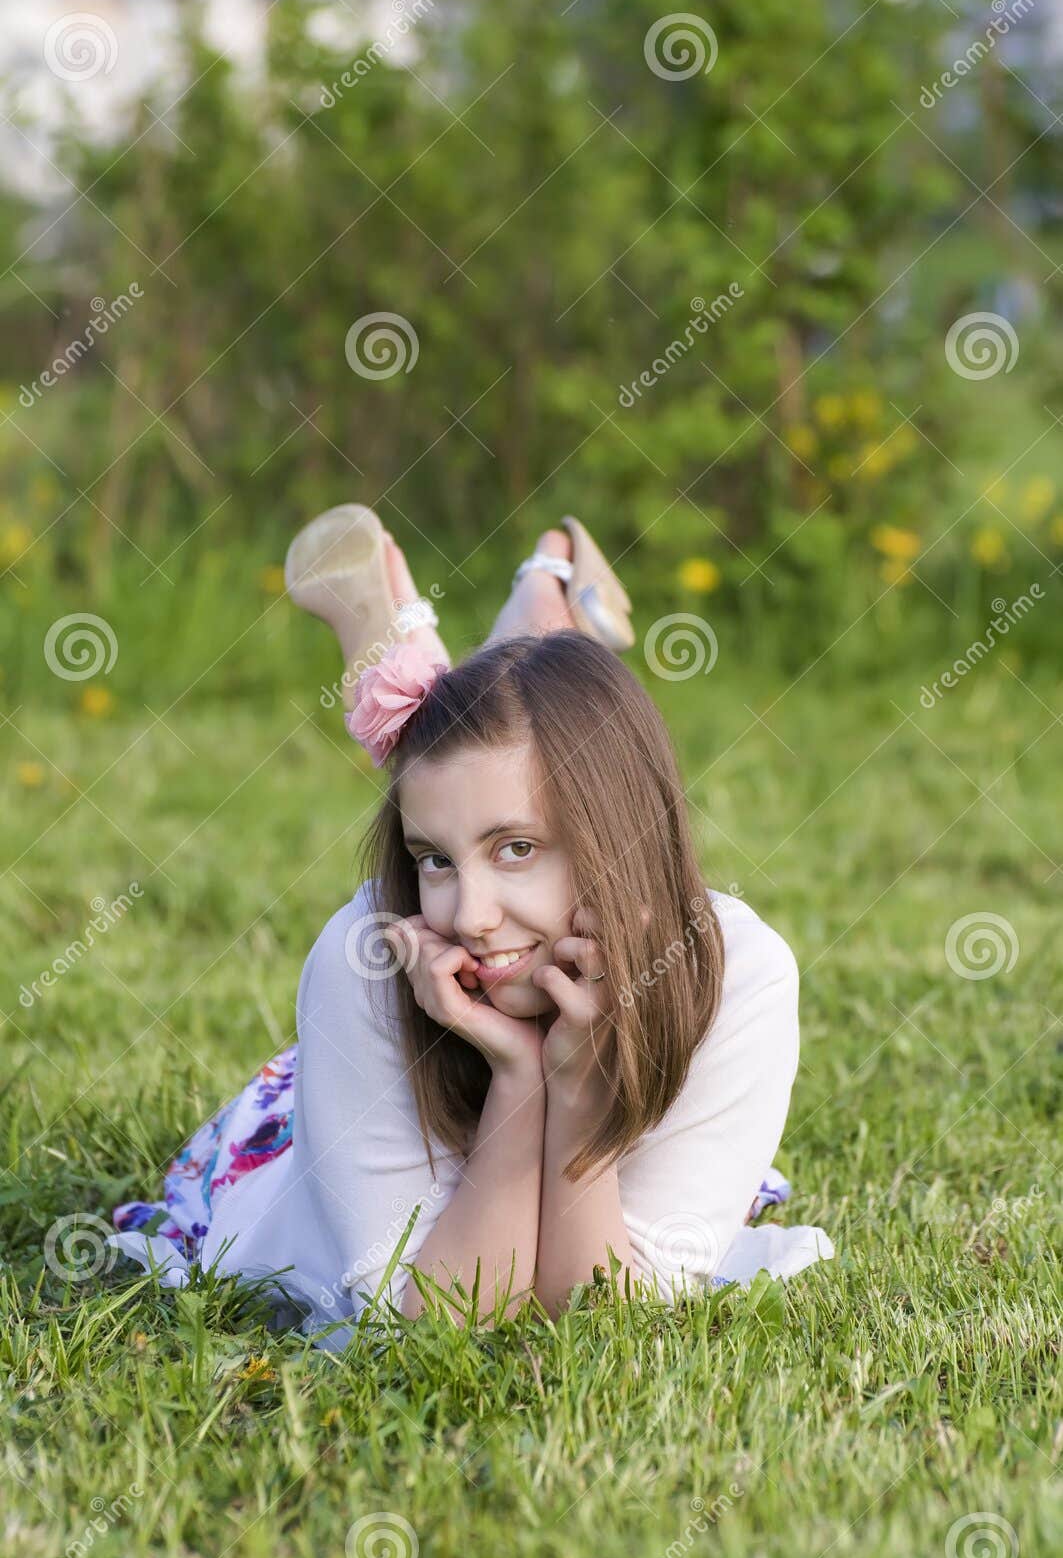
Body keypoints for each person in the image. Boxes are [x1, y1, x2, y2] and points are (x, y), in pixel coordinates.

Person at [106, 508, 833, 1350]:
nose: (466, 918)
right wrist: (522, 1078)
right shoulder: (370, 958)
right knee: (480, 751)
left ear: (621, 833)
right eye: (433, 858)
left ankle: (521, 613)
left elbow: (603, 1325)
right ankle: (526, 611)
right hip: (306, 1132)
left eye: (516, 848)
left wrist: (580, 1088)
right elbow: (438, 1320)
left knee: (498, 736)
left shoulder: (735, 970)